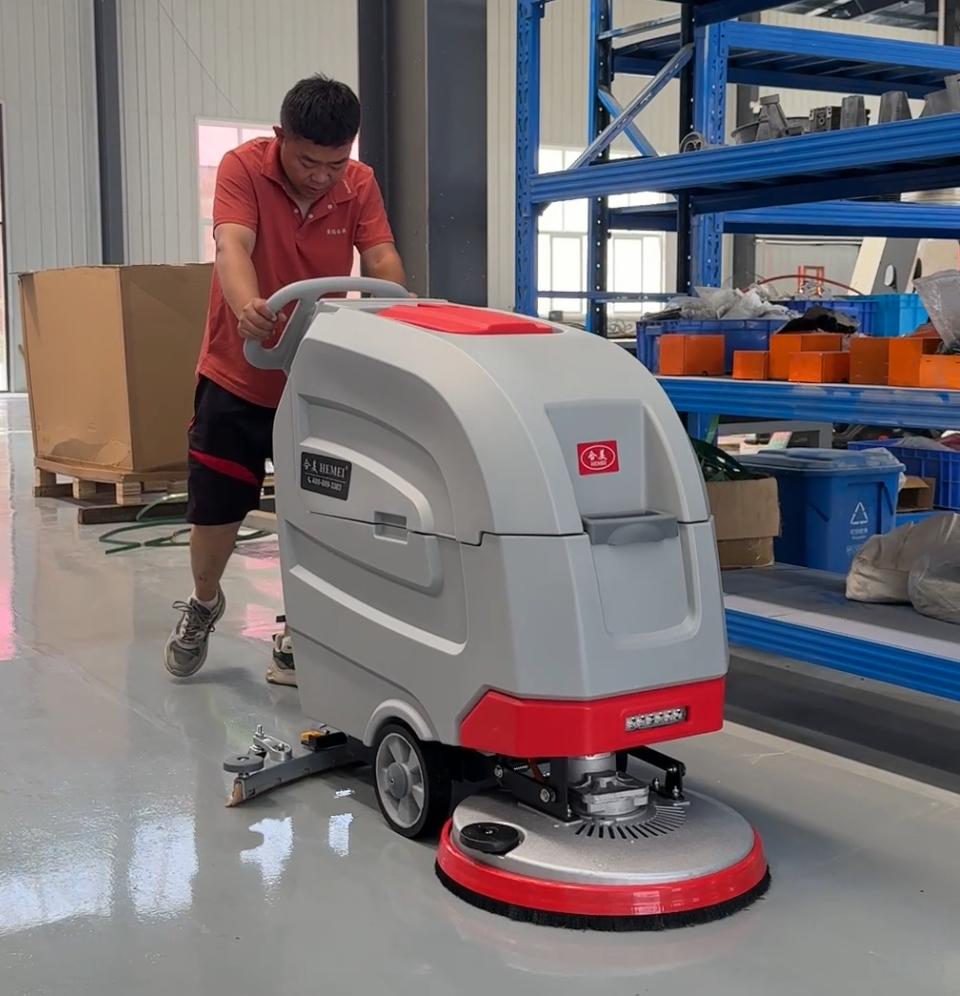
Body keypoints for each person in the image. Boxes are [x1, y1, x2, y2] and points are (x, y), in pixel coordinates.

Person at [164, 75, 407, 686]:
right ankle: (204, 601)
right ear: (281, 138)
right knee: (217, 508)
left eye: (335, 163)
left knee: (324, 508)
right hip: (238, 374)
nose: (322, 177)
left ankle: (302, 625)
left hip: (315, 379)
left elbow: (380, 257)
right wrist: (248, 307)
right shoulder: (243, 168)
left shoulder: (360, 184)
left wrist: (402, 308)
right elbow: (233, 245)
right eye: (307, 162)